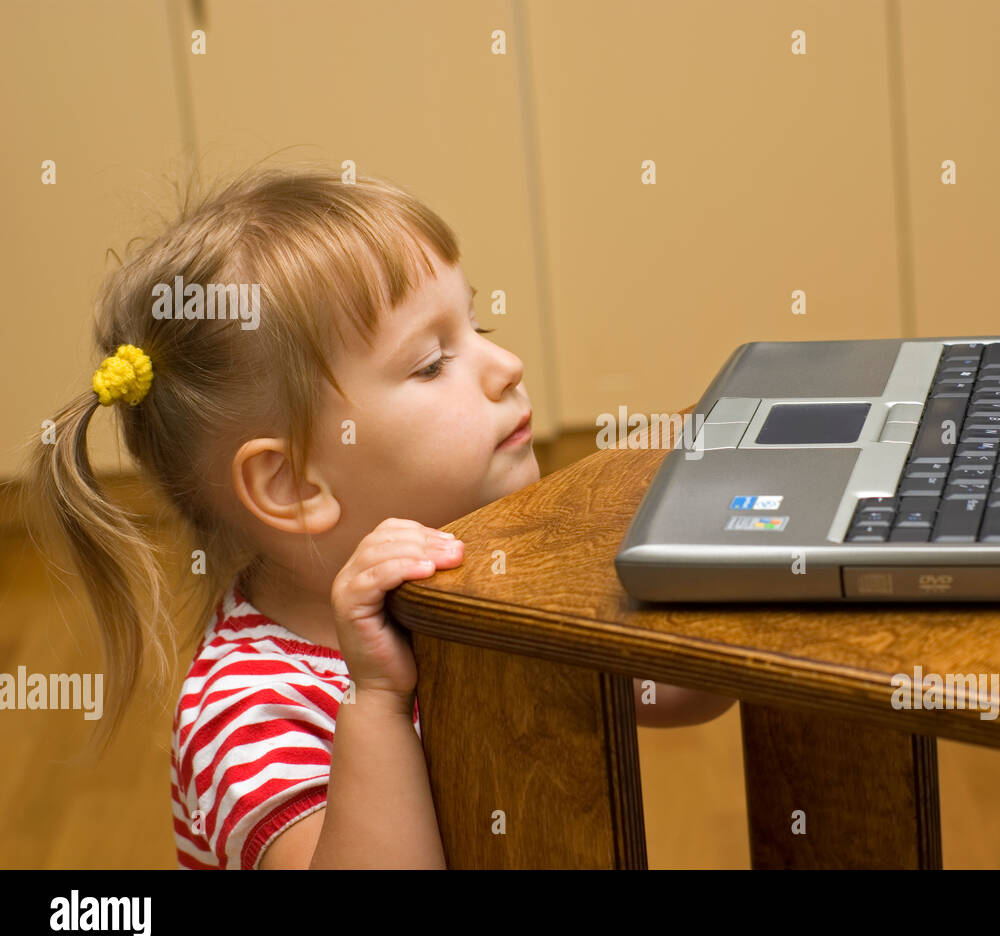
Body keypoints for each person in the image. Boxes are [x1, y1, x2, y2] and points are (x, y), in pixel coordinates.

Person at [23, 166, 735, 870]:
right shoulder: (249, 711)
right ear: (295, 483)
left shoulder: (502, 565)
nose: (507, 364)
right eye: (431, 363)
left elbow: (683, 691)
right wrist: (379, 701)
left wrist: (722, 542)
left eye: (479, 323)